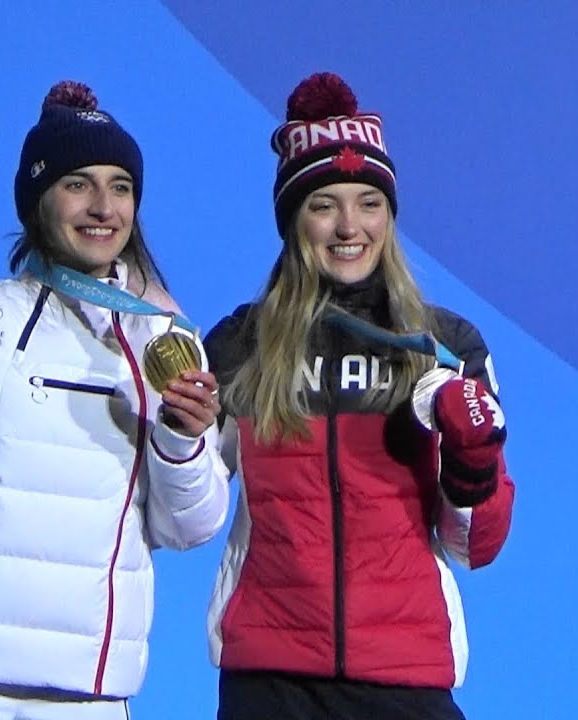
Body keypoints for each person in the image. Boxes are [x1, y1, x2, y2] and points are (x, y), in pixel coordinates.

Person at [203, 72, 516, 720]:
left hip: (406, 676)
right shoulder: (241, 343)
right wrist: (176, 439)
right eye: (324, 204)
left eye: (368, 202)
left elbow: (474, 546)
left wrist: (474, 458)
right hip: (270, 682)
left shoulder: (447, 344)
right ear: (294, 221)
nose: (350, 226)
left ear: (390, 215)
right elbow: (190, 519)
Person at [0, 81, 231, 719]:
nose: (102, 207)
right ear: (38, 200)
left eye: (120, 187)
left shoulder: (167, 339)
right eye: (77, 183)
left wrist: (180, 440)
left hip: (89, 689)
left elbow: (191, 527)